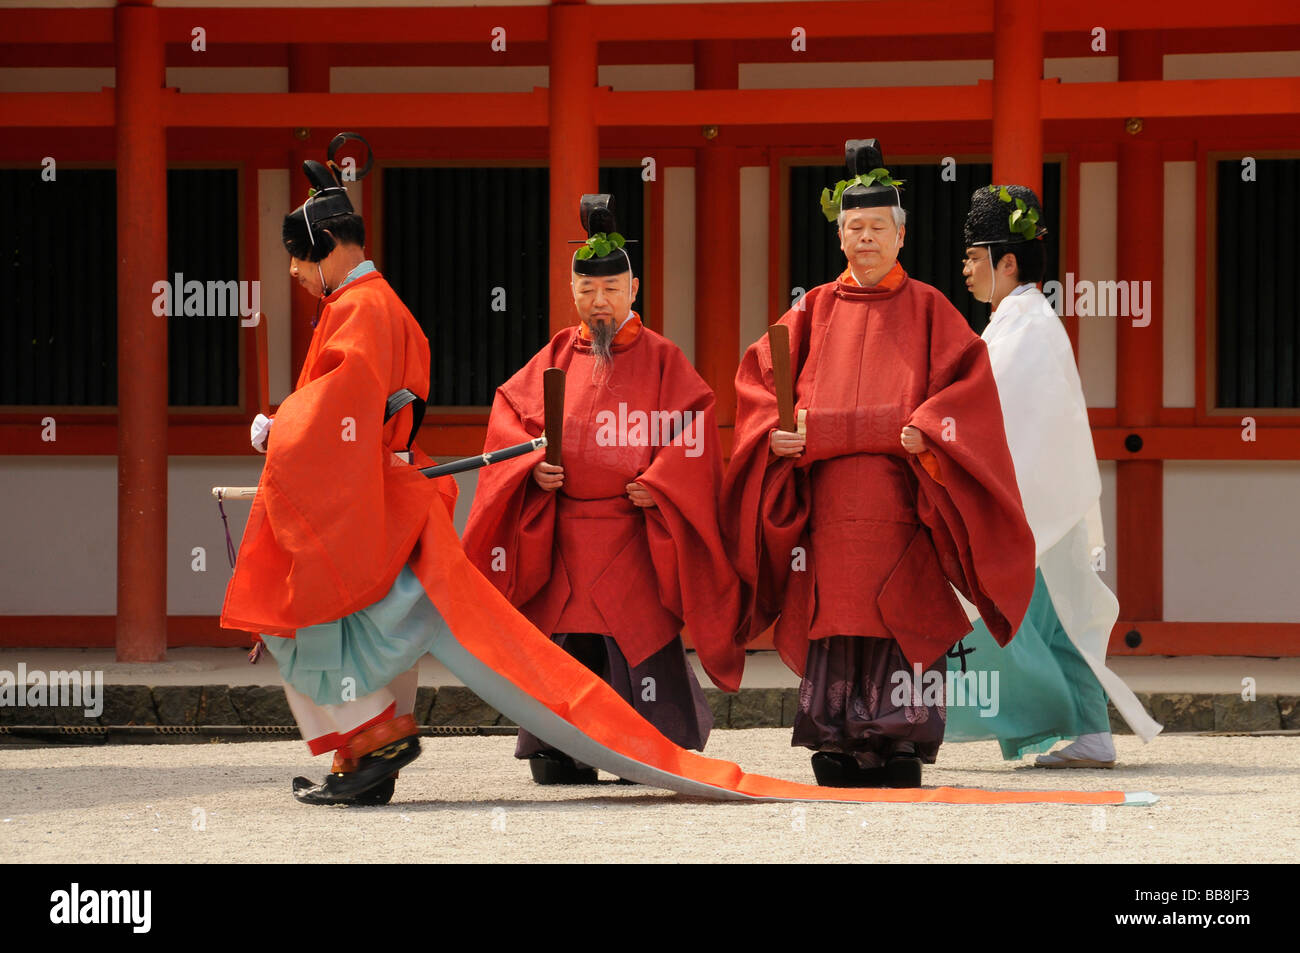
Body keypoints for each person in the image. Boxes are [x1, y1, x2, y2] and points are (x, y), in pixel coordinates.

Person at [722, 140, 1036, 788]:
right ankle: (834, 740)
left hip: (902, 505)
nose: (865, 239)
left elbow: (967, 396)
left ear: (901, 235)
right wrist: (778, 433)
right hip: (832, 511)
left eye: (877, 228)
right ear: (840, 237)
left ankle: (899, 743)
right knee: (837, 621)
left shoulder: (931, 310)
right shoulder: (812, 310)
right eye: (854, 228)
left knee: (901, 621)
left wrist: (924, 429)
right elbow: (760, 382)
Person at [462, 194, 743, 784]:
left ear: (633, 289)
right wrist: (532, 471)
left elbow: (693, 428)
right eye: (588, 291)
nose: (600, 302)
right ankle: (558, 746)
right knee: (567, 639)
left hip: (634, 531)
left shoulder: (664, 359)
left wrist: (661, 483)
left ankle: (647, 744)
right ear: (572, 293)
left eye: (611, 289)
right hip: (563, 531)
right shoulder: (557, 355)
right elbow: (514, 418)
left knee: (633, 636)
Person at [222, 134, 457, 804]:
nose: (295, 274)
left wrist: (281, 431)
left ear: (327, 247)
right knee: (374, 631)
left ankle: (374, 737)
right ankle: (362, 757)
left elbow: (337, 407)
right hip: (386, 483)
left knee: (295, 615)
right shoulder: (378, 305)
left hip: (360, 493)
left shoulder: (358, 308)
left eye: (298, 260)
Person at [944, 184, 1162, 766]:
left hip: (1038, 502)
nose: (964, 268)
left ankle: (1087, 732)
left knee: (1052, 620)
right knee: (1048, 619)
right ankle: (1080, 729)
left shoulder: (1026, 327)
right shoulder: (1020, 322)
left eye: (972, 256)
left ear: (1006, 261)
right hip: (1040, 497)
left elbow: (984, 410)